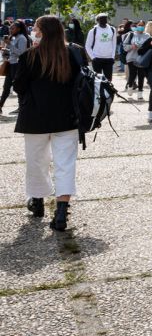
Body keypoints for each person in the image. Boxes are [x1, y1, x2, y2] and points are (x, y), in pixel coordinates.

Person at [16, 16, 86, 231]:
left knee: (36, 162)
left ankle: (37, 201)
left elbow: (19, 86)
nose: (34, 32)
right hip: (67, 119)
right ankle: (62, 211)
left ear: (42, 32)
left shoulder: (29, 56)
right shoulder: (74, 54)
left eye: (36, 29)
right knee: (65, 165)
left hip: (35, 118)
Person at [85, 13, 118, 83]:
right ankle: (98, 94)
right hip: (97, 58)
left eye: (105, 18)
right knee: (97, 81)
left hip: (109, 59)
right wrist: (93, 58)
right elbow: (87, 46)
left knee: (108, 80)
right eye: (102, 18)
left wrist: (112, 57)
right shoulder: (93, 31)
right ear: (98, 20)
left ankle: (108, 94)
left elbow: (114, 44)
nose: (104, 20)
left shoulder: (112, 29)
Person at [123, 21, 151, 97]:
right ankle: (130, 86)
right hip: (131, 57)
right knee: (133, 73)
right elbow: (125, 46)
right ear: (136, 26)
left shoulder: (147, 36)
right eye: (139, 25)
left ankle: (140, 92)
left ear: (144, 26)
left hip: (142, 58)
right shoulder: (131, 34)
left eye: (142, 25)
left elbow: (150, 47)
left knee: (141, 75)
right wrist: (132, 46)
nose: (141, 27)